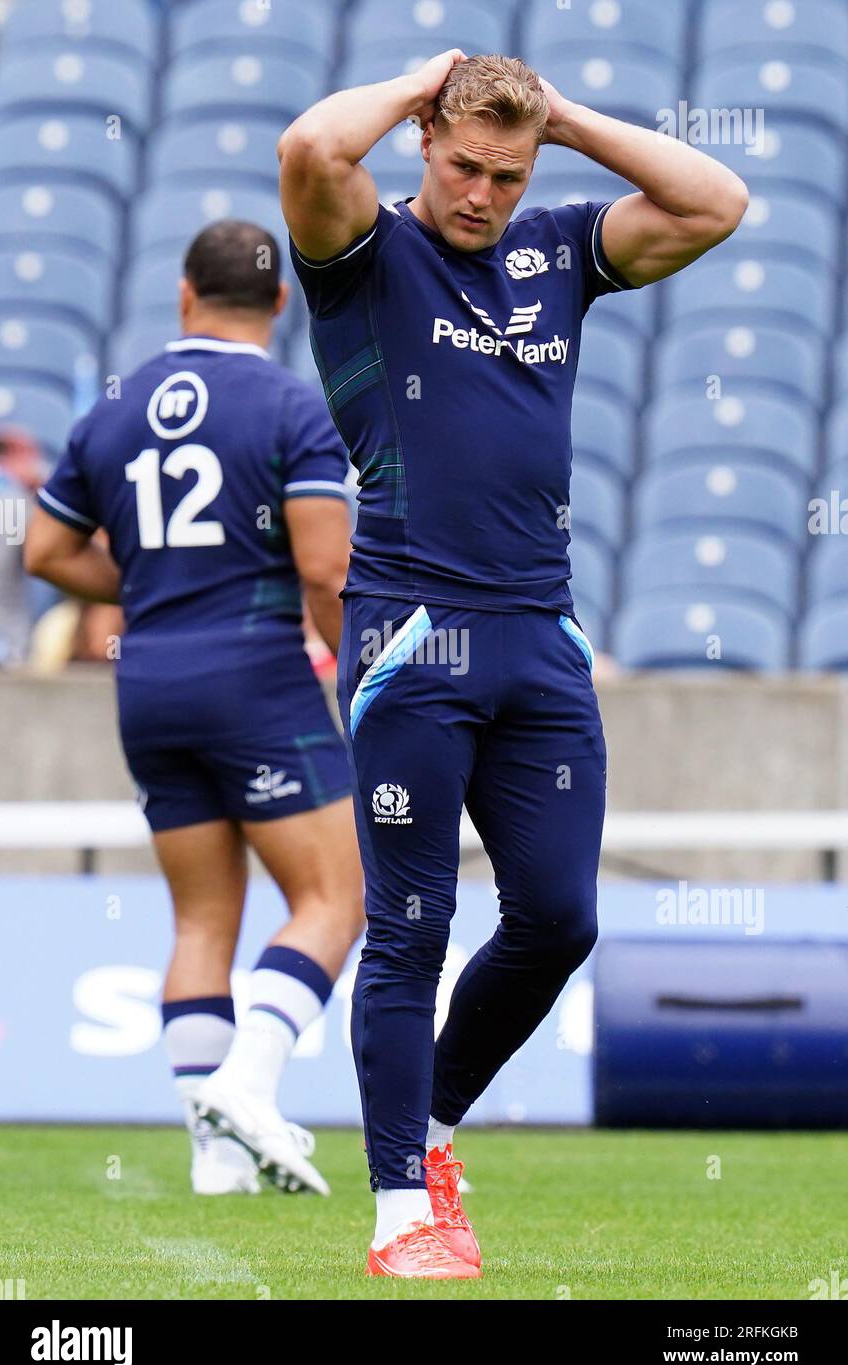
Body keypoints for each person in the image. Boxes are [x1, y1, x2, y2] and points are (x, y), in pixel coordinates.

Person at [278, 51, 748, 1275]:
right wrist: (425, 76)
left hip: (543, 638)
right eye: (462, 165)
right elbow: (309, 149)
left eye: (505, 173)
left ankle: (430, 1132)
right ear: (425, 142)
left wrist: (567, 122)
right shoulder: (365, 254)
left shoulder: (557, 251)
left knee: (559, 920)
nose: (482, 194)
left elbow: (716, 203)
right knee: (410, 927)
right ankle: (397, 1216)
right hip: (412, 633)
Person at [24, 220, 364, 1197]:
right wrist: (355, 666)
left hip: (149, 683)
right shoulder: (293, 407)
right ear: (282, 306)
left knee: (203, 921)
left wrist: (146, 580)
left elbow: (46, 552)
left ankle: (216, 1160)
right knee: (338, 899)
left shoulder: (114, 409)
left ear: (184, 295)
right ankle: (251, 1085)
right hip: (254, 676)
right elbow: (325, 566)